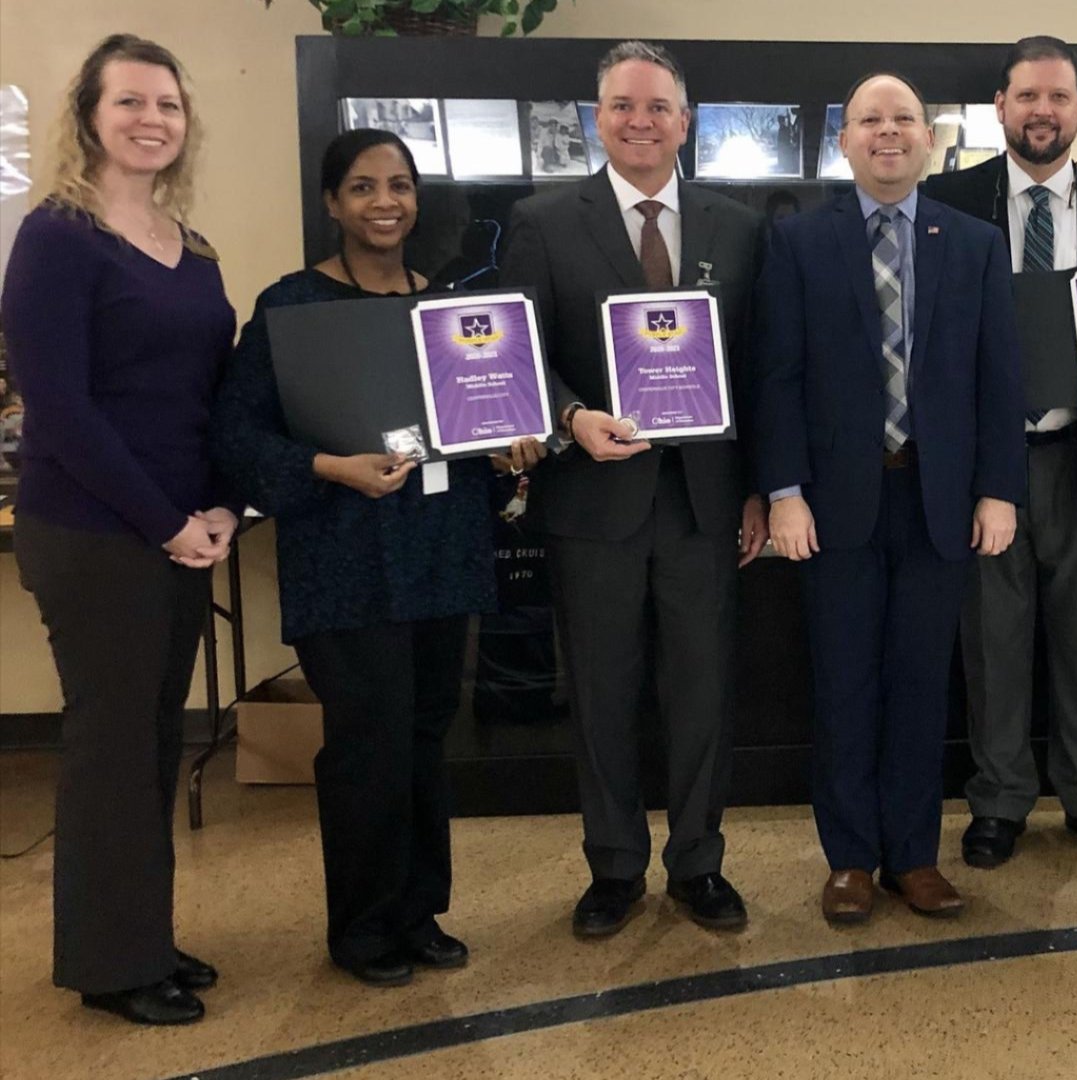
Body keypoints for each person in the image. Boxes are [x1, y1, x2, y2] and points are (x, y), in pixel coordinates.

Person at [212, 128, 543, 987]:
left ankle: (419, 911)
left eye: (399, 185)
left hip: (439, 553)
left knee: (427, 737)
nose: (384, 202)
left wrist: (507, 447)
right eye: (362, 187)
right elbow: (235, 439)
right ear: (332, 203)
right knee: (366, 743)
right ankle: (361, 929)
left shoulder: (452, 313)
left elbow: (468, 432)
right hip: (342, 560)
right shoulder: (288, 307)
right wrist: (326, 467)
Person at [498, 41, 766, 937]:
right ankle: (613, 867)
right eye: (622, 106)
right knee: (602, 694)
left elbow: (761, 370)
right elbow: (521, 356)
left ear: (686, 122)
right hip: (593, 501)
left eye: (658, 107)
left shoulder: (737, 224)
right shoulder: (540, 221)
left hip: (703, 501)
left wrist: (760, 492)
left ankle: (699, 864)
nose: (641, 121)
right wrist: (571, 418)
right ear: (598, 118)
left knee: (703, 692)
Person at [0, 34, 235, 1026]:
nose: (152, 119)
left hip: (183, 526)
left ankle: (143, 935)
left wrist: (222, 507)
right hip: (96, 529)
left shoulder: (194, 246)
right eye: (131, 101)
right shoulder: (59, 235)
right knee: (111, 740)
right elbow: (57, 405)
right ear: (90, 114)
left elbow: (212, 394)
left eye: (168, 105)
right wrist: (165, 521)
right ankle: (110, 962)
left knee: (150, 739)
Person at [756, 71, 1024, 924]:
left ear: (928, 136)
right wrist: (785, 492)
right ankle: (849, 861)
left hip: (937, 501)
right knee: (842, 685)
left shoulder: (975, 243)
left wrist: (998, 491)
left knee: (919, 685)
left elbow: (997, 378)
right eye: (869, 119)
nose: (887, 132)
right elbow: (778, 377)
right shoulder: (799, 242)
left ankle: (914, 855)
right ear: (844, 138)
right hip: (834, 505)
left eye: (903, 118)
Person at [924, 36, 1077, 870]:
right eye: (1028, 97)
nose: (1043, 111)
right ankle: (999, 800)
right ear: (1001, 106)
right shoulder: (944, 202)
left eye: (1059, 97)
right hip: (988, 464)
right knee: (992, 637)